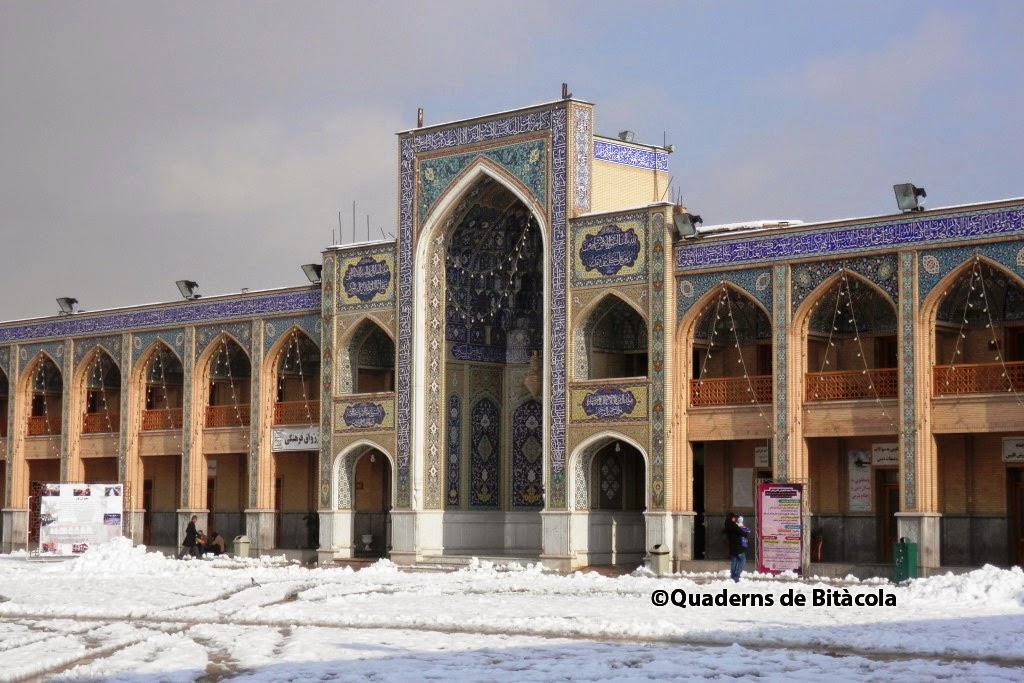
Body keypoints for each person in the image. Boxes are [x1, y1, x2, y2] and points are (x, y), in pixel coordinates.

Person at [725, 511, 750, 582]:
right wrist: (741, 525)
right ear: (732, 518)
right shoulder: (733, 525)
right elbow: (743, 533)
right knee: (742, 560)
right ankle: (737, 575)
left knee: (734, 560)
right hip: (738, 546)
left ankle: (733, 575)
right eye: (734, 518)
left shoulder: (727, 525)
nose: (735, 519)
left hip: (732, 546)